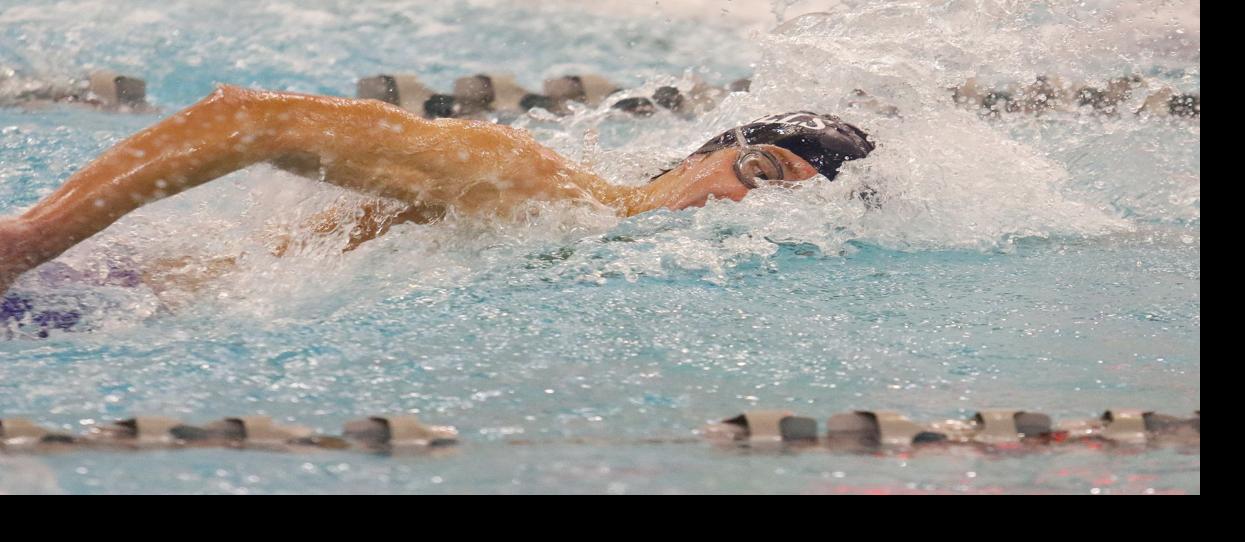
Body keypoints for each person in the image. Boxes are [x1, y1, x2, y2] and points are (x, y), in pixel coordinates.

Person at [1, 87, 875, 295]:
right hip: (79, 295)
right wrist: (35, 240)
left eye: (783, 205)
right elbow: (251, 119)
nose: (741, 208)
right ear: (702, 154)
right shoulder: (536, 188)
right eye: (756, 172)